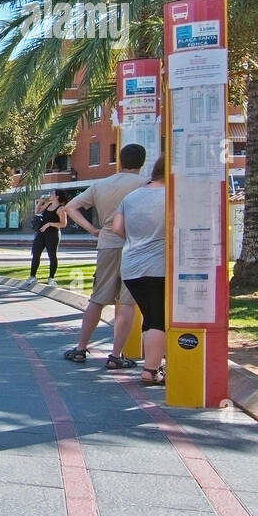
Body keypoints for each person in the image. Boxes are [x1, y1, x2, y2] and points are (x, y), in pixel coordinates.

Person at [61, 143, 147, 367]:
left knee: (97, 298)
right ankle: (116, 356)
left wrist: (92, 230)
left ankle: (80, 348)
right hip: (136, 245)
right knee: (127, 303)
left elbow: (70, 207)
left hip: (107, 243)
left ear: (120, 160)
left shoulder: (101, 184)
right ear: (142, 161)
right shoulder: (145, 184)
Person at [110, 157, 167, 386]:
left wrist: (137, 240)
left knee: (148, 314)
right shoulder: (171, 197)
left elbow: (117, 228)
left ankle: (154, 364)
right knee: (157, 318)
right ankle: (151, 369)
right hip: (158, 265)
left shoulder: (131, 197)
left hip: (131, 265)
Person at [27, 190, 68, 285]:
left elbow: (63, 224)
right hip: (41, 233)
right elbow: (37, 211)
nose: (50, 195)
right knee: (36, 254)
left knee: (52, 256)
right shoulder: (48, 204)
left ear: (57, 197)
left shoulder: (61, 209)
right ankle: (32, 276)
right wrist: (41, 202)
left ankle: (51, 278)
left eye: (52, 193)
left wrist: (49, 224)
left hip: (52, 235)